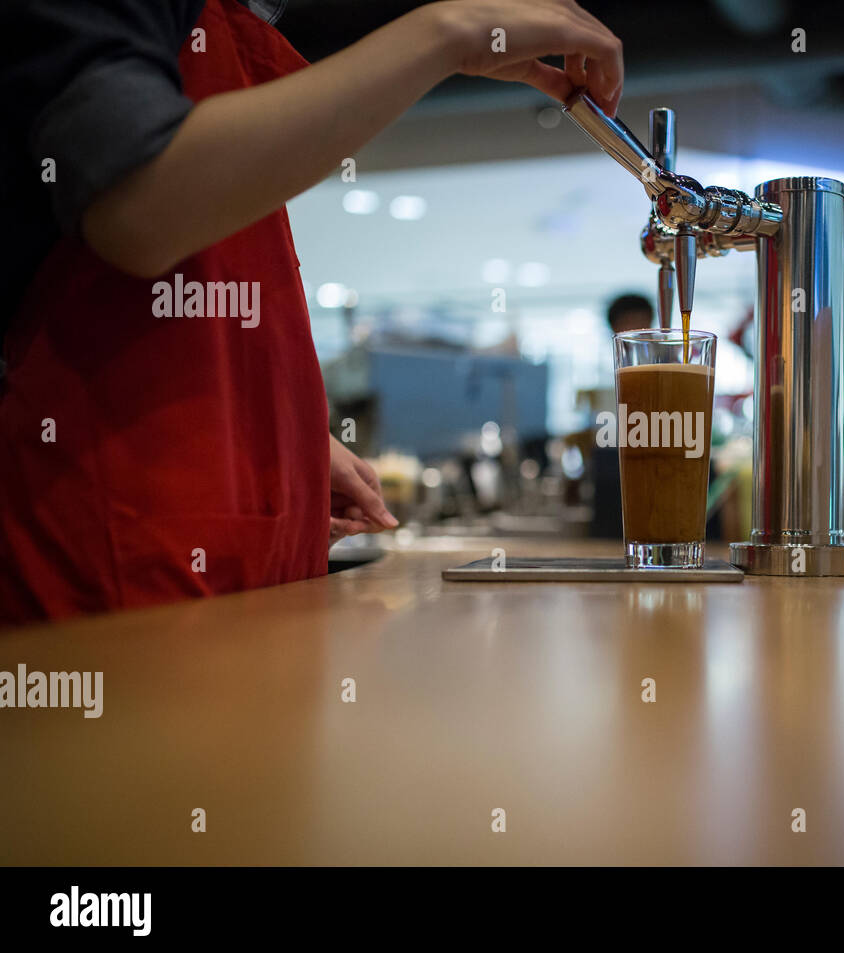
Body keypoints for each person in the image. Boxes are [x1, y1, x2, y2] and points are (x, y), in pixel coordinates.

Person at [0, 0, 624, 623]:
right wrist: (446, 34)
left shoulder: (226, 23)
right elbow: (136, 200)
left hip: (233, 605)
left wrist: (286, 443)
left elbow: (181, 304)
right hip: (109, 602)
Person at [588, 292, 654, 538]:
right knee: (610, 537)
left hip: (649, 457)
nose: (636, 328)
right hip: (609, 465)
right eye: (628, 322)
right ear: (614, 326)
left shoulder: (660, 362)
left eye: (642, 322)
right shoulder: (600, 366)